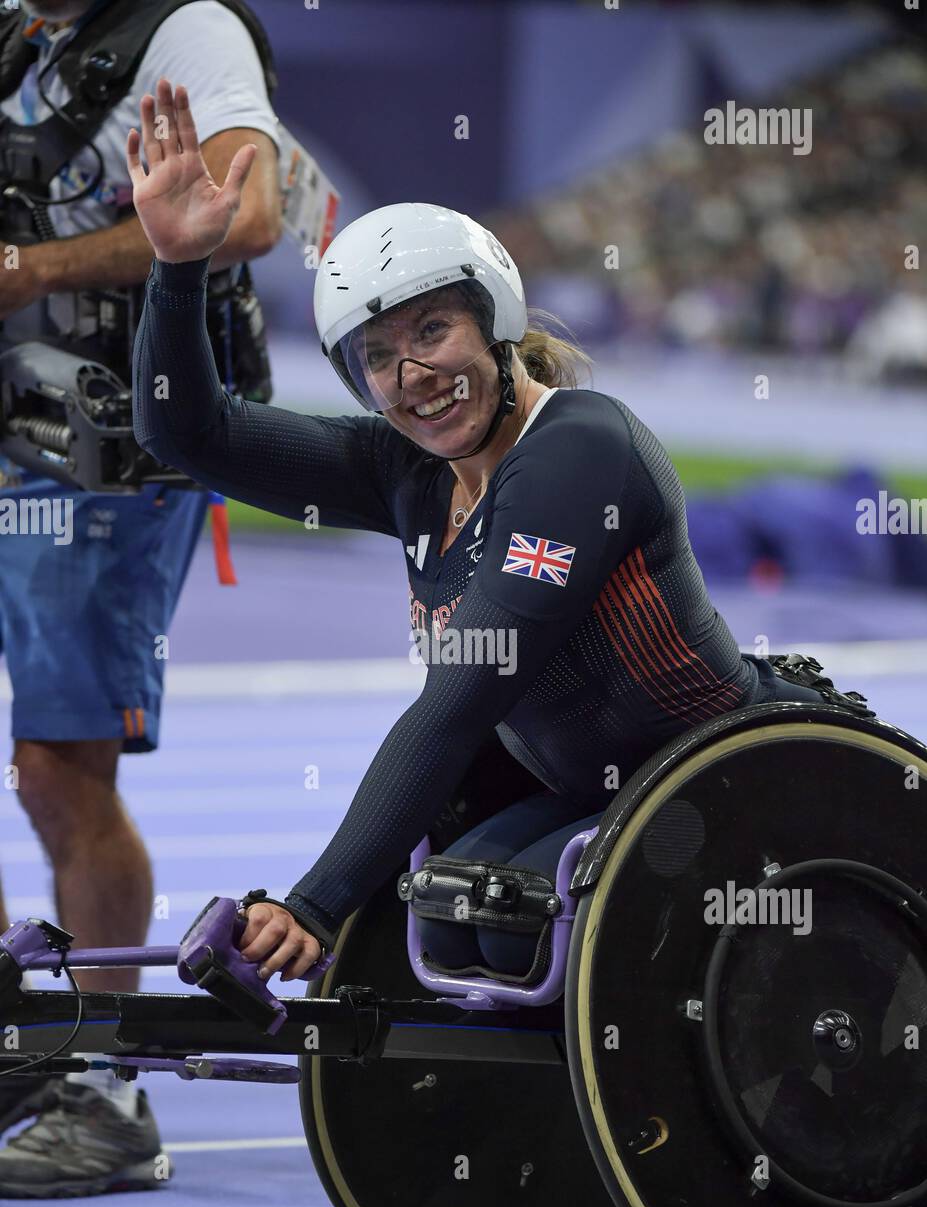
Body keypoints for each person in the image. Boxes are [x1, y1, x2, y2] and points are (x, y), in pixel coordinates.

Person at [130, 81, 826, 987]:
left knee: (509, 932)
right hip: (586, 791)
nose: (412, 373)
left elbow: (460, 700)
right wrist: (178, 271)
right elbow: (187, 432)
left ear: (492, 322)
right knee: (450, 920)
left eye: (431, 330)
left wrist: (315, 904)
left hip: (719, 776)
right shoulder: (405, 470)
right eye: (377, 356)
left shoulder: (581, 449)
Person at [0, 0, 282, 1198]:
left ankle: (107, 1093)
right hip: (22, 423)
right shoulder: (23, 31)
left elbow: (250, 214)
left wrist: (30, 271)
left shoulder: (191, 30)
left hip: (115, 448)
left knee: (64, 766)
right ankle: (28, 1029)